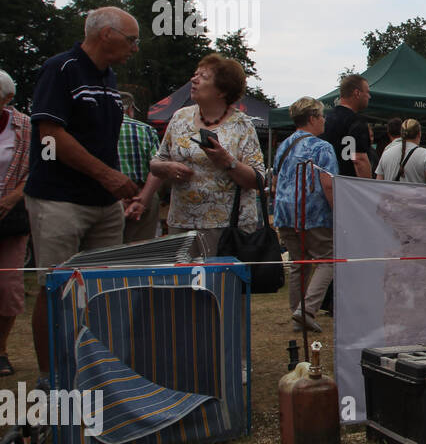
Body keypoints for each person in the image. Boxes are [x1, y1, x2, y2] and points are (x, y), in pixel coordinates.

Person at [26, 6, 140, 373]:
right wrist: (108, 176)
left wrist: (113, 184)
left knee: (104, 290)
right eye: (131, 39)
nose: (135, 47)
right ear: (105, 34)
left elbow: (102, 140)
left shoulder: (109, 78)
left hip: (103, 204)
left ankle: (98, 370)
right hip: (59, 199)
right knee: (56, 287)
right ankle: (51, 376)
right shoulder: (60, 69)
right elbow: (50, 138)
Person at [131, 55, 266, 257]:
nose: (193, 80)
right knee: (182, 285)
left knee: (218, 287)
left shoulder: (242, 125)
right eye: (195, 74)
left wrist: (227, 161)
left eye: (203, 76)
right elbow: (157, 163)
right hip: (182, 223)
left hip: (226, 227)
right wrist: (166, 170)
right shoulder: (180, 117)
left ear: (222, 90)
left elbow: (258, 179)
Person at [272, 97, 339, 332]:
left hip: (285, 213)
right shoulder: (322, 148)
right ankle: (307, 310)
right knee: (328, 259)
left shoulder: (283, 146)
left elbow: (275, 180)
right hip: (313, 213)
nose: (324, 121)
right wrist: (338, 212)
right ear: (312, 118)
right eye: (322, 116)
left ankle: (297, 312)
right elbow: (328, 184)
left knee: (299, 263)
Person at [0, 72, 31, 377]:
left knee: (8, 286)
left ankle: (1, 350)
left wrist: (12, 198)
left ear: (7, 99)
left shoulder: (26, 127)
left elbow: (40, 167)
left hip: (10, 217)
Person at [117, 91, 161, 244]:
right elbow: (158, 168)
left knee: (106, 254)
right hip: (143, 195)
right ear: (129, 109)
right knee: (139, 251)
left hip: (109, 198)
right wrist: (143, 198)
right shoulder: (146, 130)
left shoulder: (97, 129)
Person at [322, 74, 373, 179]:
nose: (369, 96)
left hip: (327, 184)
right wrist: (369, 189)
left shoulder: (325, 120)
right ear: (357, 93)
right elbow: (359, 160)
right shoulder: (356, 122)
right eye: (367, 92)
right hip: (349, 185)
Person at [375, 118, 426, 183]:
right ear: (419, 134)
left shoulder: (386, 153)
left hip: (391, 193)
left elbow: (379, 183)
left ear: (401, 134)